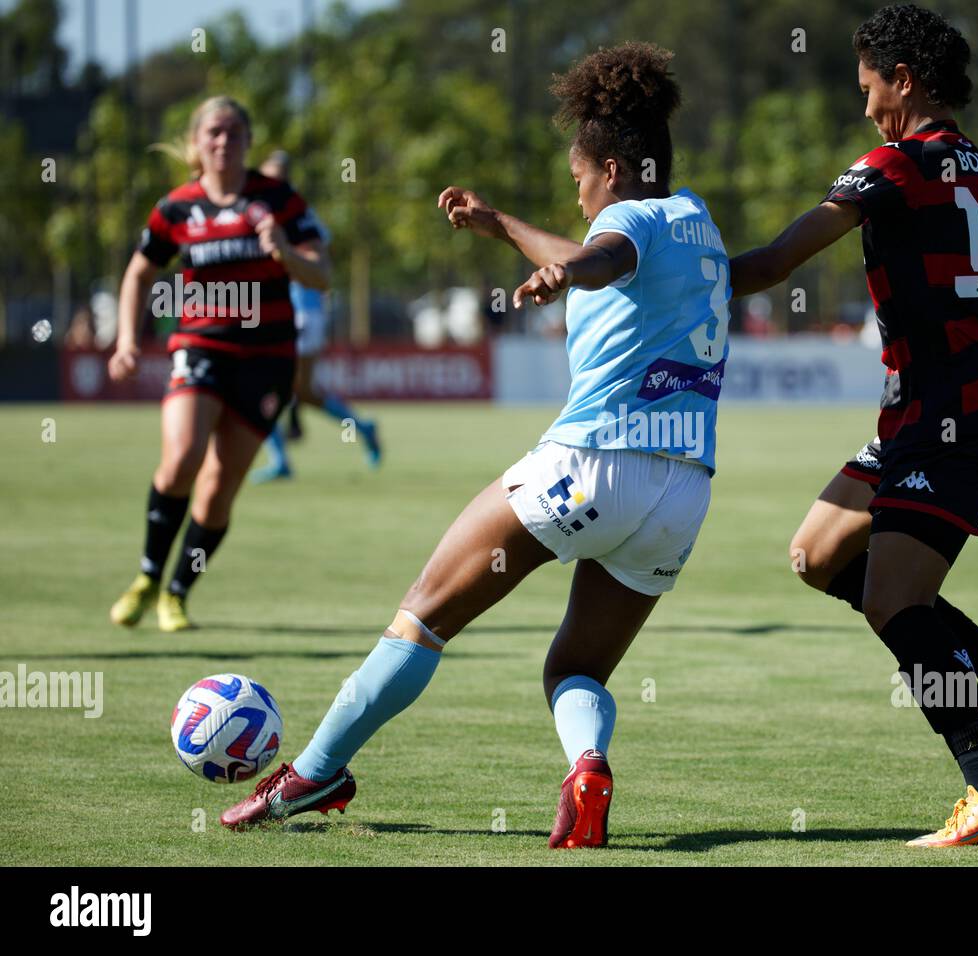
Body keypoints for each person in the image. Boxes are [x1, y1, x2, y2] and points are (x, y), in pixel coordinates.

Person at [220, 44, 730, 848]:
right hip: (683, 493)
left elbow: (598, 257)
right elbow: (744, 268)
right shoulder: (699, 224)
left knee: (423, 616)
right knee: (576, 670)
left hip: (592, 465)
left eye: (581, 182)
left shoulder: (625, 220)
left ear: (614, 167)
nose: (581, 196)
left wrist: (516, 236)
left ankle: (312, 773)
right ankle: (587, 764)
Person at [729, 4, 978, 846]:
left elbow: (769, 264)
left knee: (891, 600)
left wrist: (658, 272)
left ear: (903, 81)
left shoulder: (895, 167)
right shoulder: (975, 164)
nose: (865, 105)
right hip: (929, 404)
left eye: (870, 86)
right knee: (817, 552)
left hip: (957, 409)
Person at [107, 96, 329, 632]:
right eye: (213, 132)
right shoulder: (176, 207)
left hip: (268, 360)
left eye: (233, 132)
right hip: (200, 347)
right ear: (197, 142)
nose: (223, 141)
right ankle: (147, 576)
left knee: (217, 487)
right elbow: (139, 273)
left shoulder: (279, 199)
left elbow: (321, 275)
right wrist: (125, 340)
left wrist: (285, 252)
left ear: (248, 141)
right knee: (183, 456)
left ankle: (178, 592)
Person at [249, 150, 381, 483]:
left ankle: (280, 459)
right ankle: (362, 428)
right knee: (303, 392)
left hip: (299, 316)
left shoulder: (294, 216)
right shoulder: (272, 214)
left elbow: (319, 269)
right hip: (293, 316)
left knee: (260, 389)